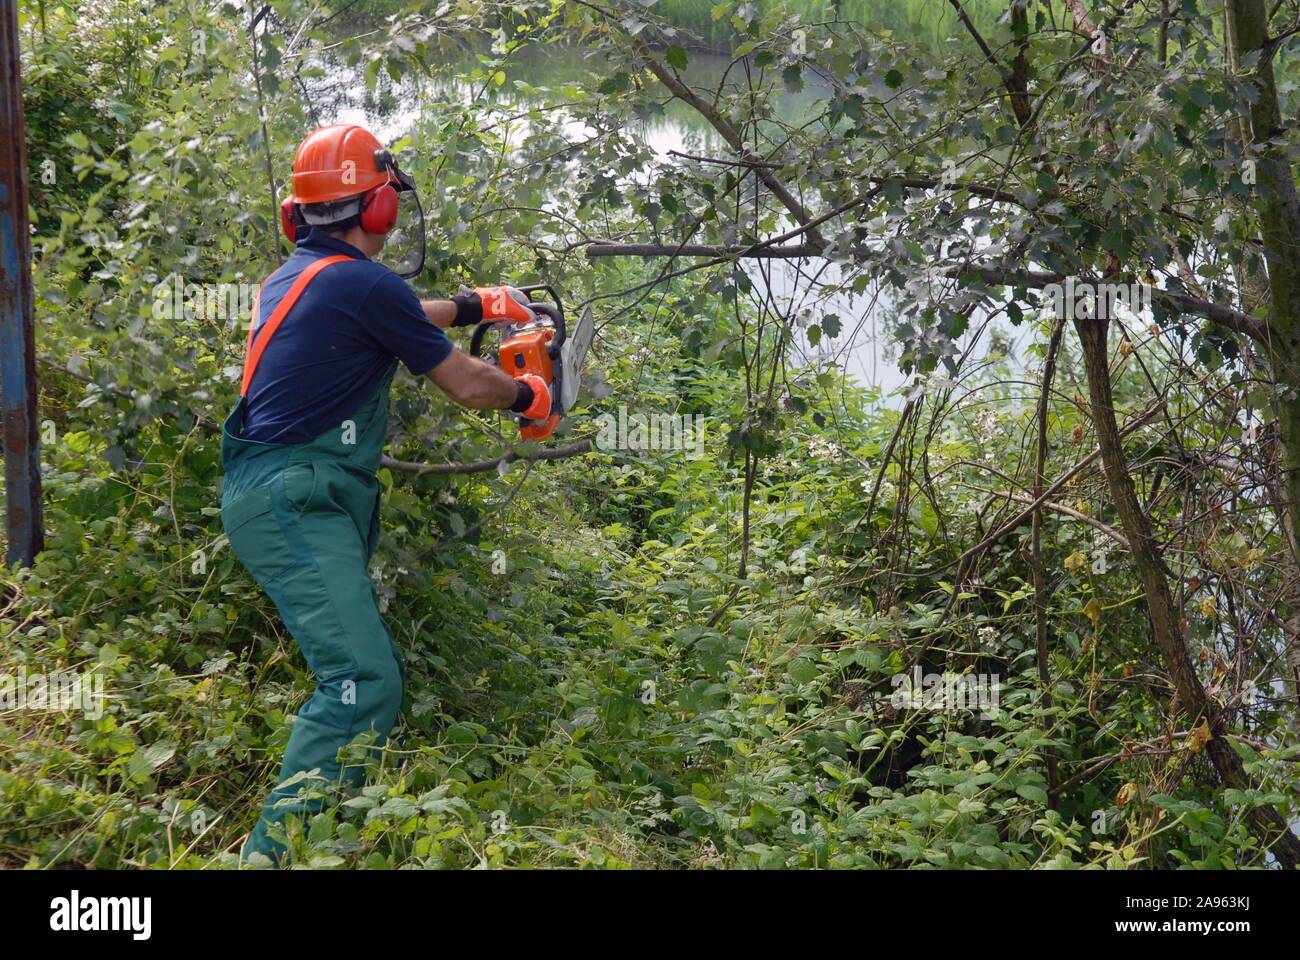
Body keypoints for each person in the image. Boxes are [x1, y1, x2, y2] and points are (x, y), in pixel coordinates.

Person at [219, 123, 551, 864]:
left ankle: (317, 840)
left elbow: (392, 313)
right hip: (294, 497)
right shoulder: (361, 284)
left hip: (287, 491)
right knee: (362, 681)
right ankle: (270, 860)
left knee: (354, 680)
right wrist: (527, 394)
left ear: (296, 215)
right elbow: (467, 383)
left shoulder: (303, 277)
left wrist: (473, 307)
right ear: (380, 212)